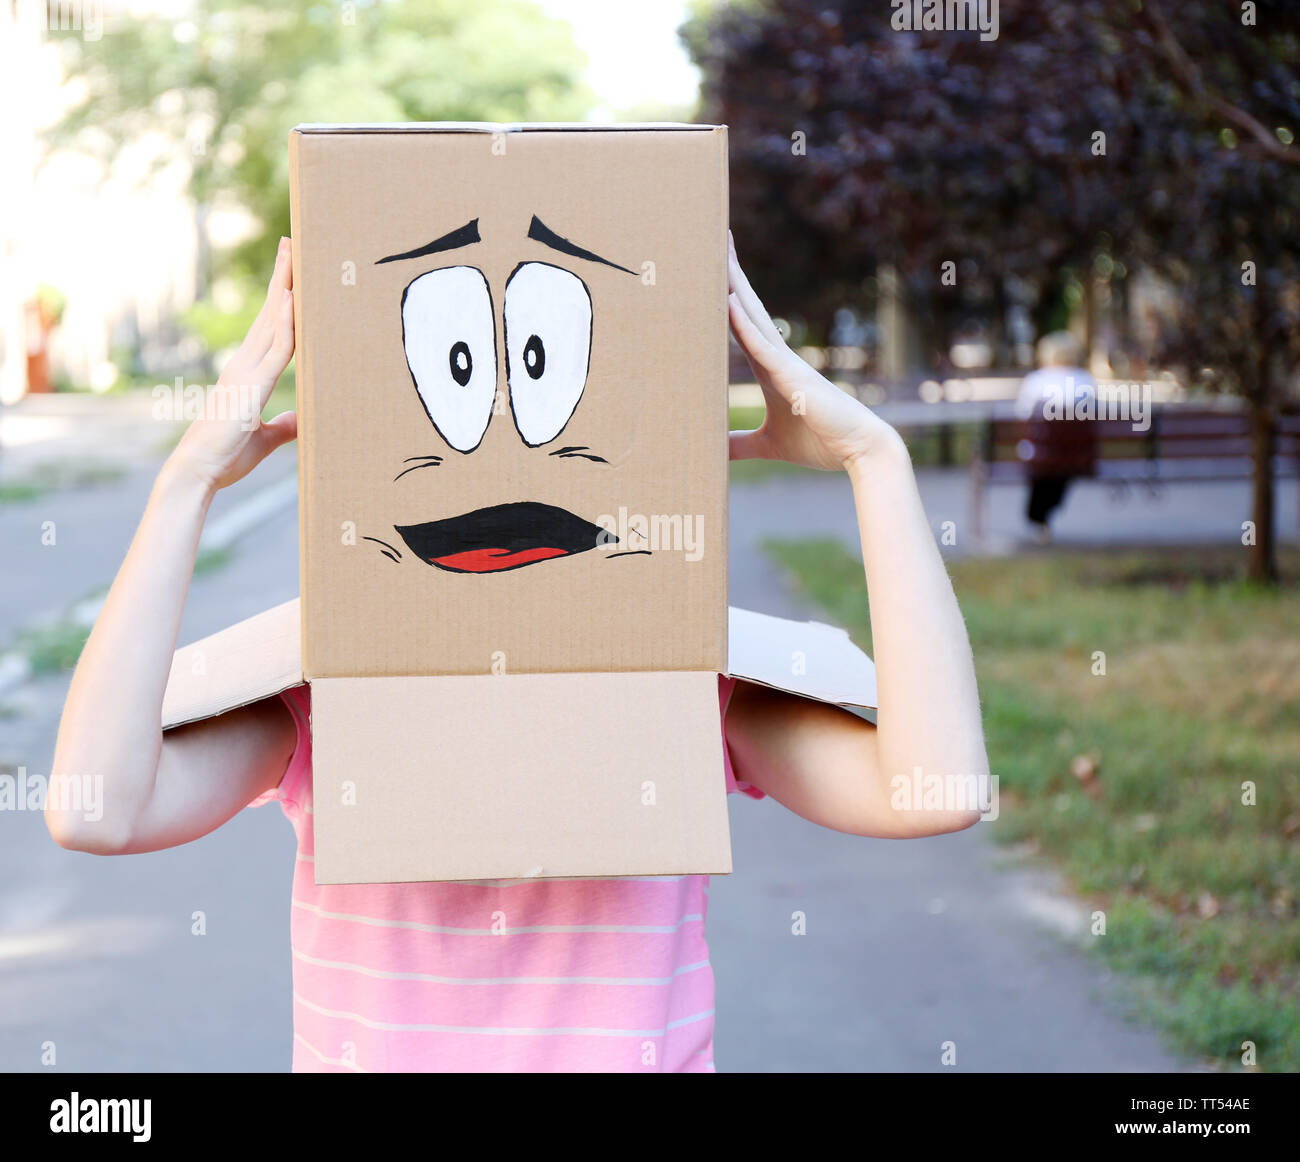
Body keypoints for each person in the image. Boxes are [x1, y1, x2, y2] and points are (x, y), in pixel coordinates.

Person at [44, 233, 990, 1072]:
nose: (498, 437)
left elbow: (937, 789)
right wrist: (186, 484)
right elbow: (98, 812)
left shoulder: (689, 686)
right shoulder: (322, 693)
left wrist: (876, 461)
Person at [1014, 330, 1098, 542]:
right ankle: (1041, 516)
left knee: (1046, 463)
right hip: (1078, 455)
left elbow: (1022, 414)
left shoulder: (1036, 381)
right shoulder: (1085, 380)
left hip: (1042, 455)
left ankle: (1037, 517)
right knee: (1059, 466)